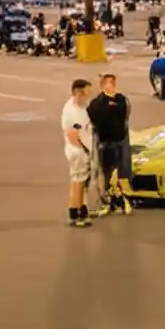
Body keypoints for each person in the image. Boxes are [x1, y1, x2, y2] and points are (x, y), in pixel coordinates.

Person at [87, 74, 133, 216]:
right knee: (106, 174)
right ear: (102, 85)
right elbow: (96, 119)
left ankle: (123, 201)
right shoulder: (97, 102)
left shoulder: (122, 100)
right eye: (107, 83)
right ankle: (108, 201)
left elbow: (125, 116)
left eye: (112, 82)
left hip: (120, 140)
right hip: (105, 143)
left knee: (122, 173)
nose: (110, 85)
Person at [62, 79, 95, 228]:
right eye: (86, 92)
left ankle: (81, 208)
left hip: (84, 149)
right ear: (78, 92)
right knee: (78, 182)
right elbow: (72, 134)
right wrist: (85, 150)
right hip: (78, 151)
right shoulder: (71, 111)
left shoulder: (82, 106)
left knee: (82, 182)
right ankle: (75, 212)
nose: (88, 95)